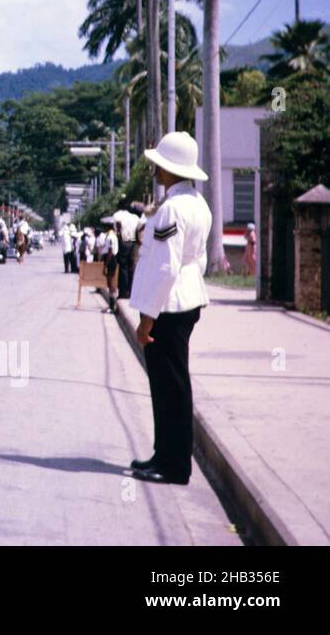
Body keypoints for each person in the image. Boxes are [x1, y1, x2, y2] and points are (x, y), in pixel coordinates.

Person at [127, 131, 213, 486]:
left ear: (170, 169)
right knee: (171, 385)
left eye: (159, 165)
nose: (155, 171)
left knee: (170, 387)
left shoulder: (172, 210)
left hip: (169, 306)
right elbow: (199, 259)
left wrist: (147, 319)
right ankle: (164, 455)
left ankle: (174, 465)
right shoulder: (198, 204)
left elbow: (165, 267)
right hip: (185, 300)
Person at [111, 203, 141, 301]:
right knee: (131, 267)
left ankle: (123, 292)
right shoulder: (135, 217)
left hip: (123, 241)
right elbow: (138, 229)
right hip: (133, 242)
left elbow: (117, 228)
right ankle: (130, 291)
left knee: (123, 267)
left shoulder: (117, 215)